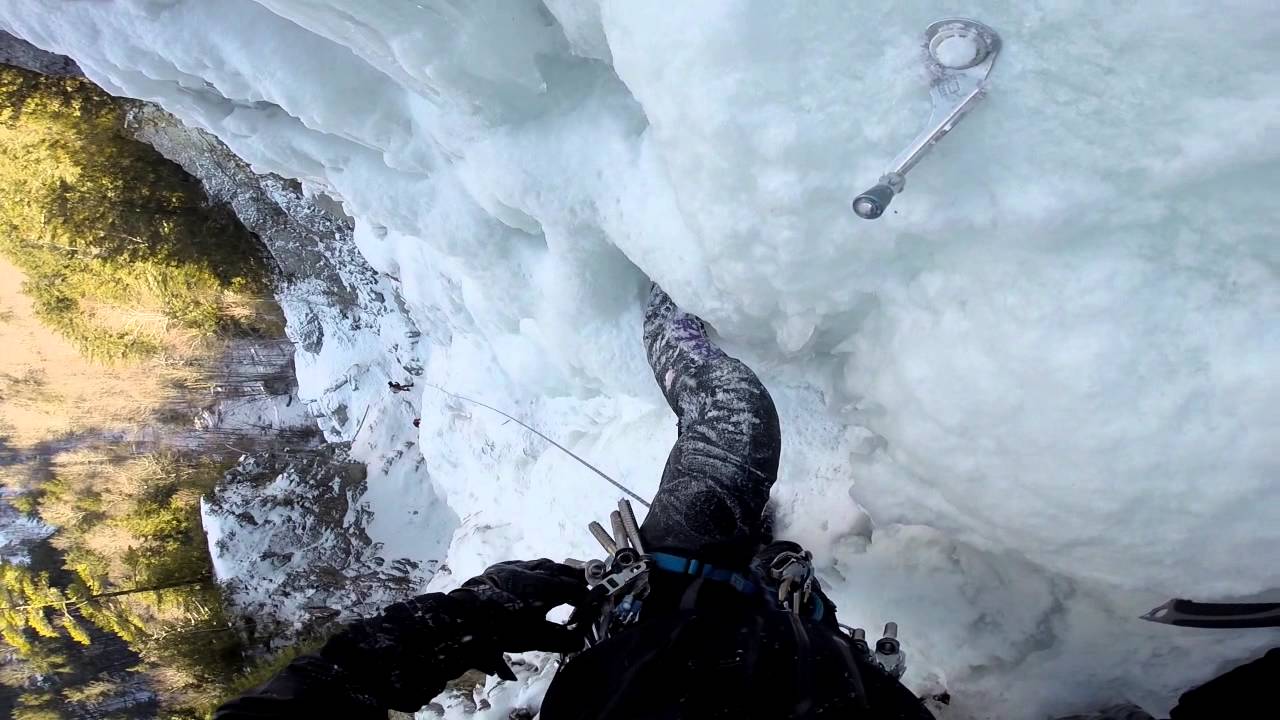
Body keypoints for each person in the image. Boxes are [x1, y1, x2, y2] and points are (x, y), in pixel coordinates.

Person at [217, 284, 933, 718]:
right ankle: (669, 296)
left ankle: (669, 290)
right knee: (732, 418)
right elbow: (321, 691)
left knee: (734, 426)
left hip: (657, 650)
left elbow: (314, 696)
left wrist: (472, 614)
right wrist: (470, 614)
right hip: (727, 656)